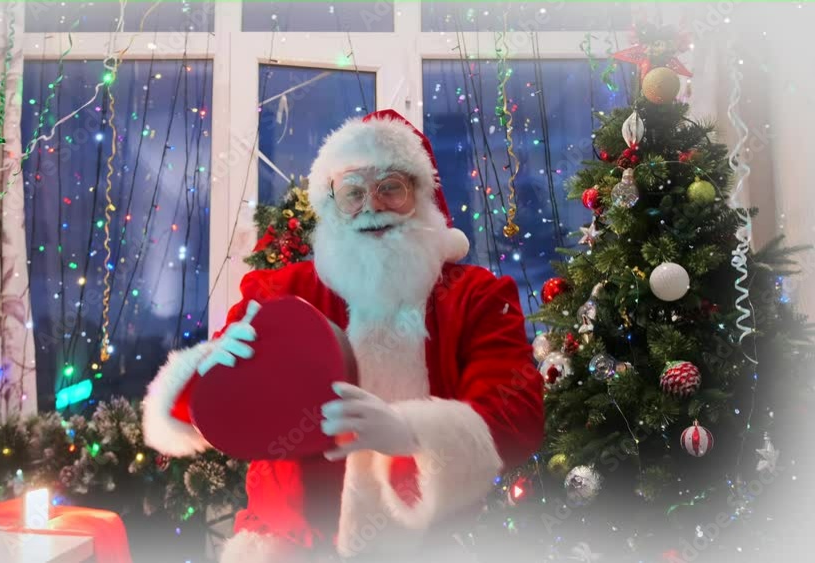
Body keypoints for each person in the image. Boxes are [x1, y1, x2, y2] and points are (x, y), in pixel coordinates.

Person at [143, 109, 544, 562]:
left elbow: (518, 414)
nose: (371, 206)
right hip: (287, 547)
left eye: (390, 187)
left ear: (423, 197)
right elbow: (202, 414)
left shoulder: (477, 297)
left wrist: (413, 432)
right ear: (332, 205)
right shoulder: (282, 291)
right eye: (352, 192)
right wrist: (208, 371)